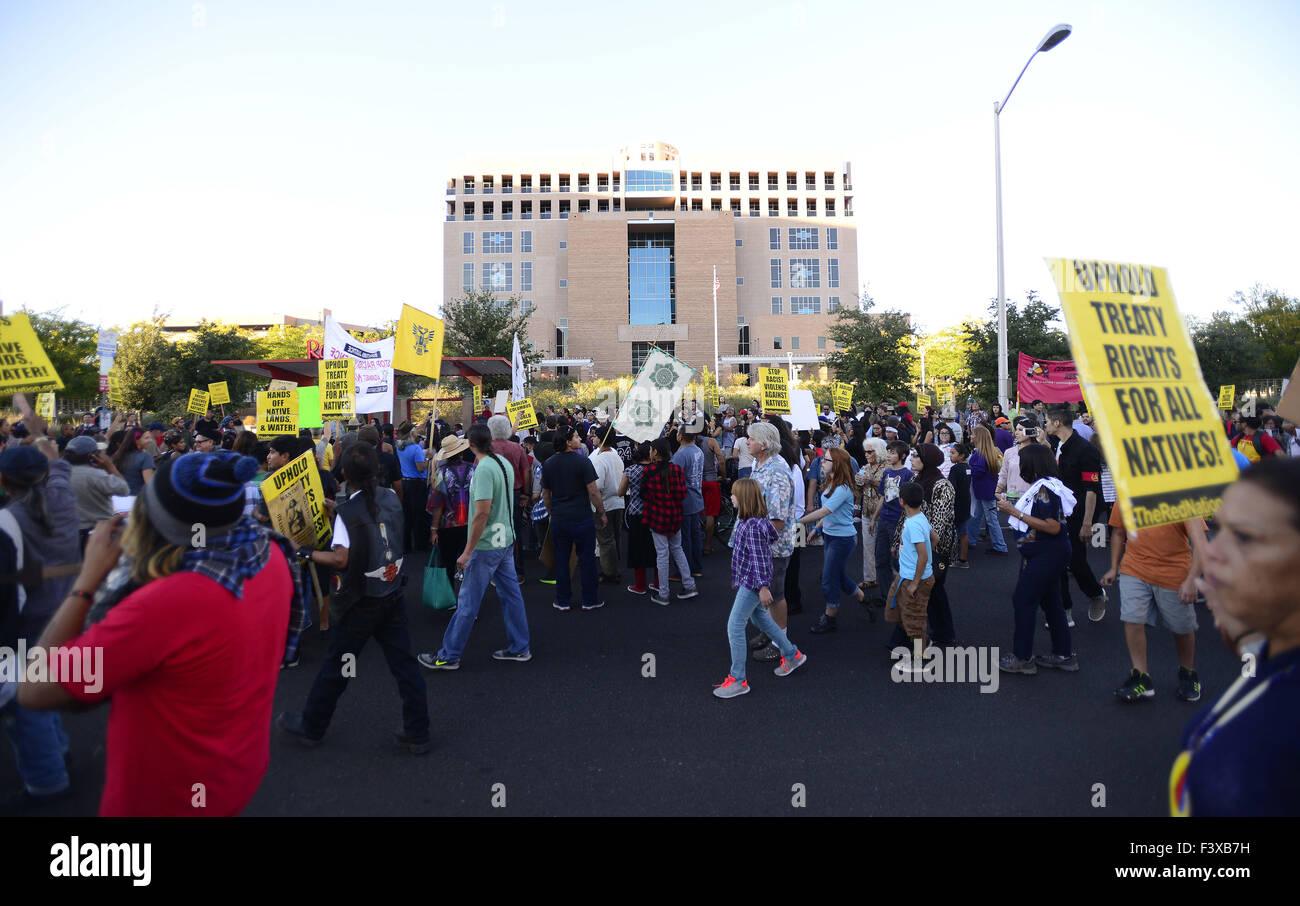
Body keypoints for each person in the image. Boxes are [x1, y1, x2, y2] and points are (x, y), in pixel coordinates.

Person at [19, 450, 299, 815]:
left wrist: (87, 581)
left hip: (165, 797)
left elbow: (35, 689)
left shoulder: (166, 604)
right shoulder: (270, 553)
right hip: (237, 769)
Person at [278, 441, 431, 755]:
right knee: (404, 665)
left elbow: (340, 560)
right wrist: (339, 510)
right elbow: (374, 519)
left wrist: (302, 550)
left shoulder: (348, 513)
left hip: (360, 602)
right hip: (391, 593)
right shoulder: (390, 496)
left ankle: (312, 725)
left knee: (337, 667)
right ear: (377, 469)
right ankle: (418, 730)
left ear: (344, 472)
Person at [1169, 458, 1300, 816]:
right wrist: (1241, 631)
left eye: (1244, 537)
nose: (1210, 552)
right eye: (1219, 528)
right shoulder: (1275, 649)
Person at [1, 420, 80, 811]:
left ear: (5, 482)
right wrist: (31, 418)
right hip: (68, 615)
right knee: (45, 692)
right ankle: (58, 749)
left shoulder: (8, 520)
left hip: (28, 624)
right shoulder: (63, 494)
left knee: (25, 705)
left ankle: (48, 783)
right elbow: (56, 458)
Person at [418, 424, 530, 670]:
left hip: (487, 544)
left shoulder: (483, 469)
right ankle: (520, 647)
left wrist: (468, 550)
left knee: (468, 602)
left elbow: (481, 513)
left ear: (470, 444)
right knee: (511, 596)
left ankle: (448, 655)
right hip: (505, 539)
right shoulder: (502, 463)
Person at [713, 478, 807, 699]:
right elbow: (770, 540)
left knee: (734, 626)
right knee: (760, 619)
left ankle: (738, 679)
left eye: (734, 494)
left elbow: (761, 560)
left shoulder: (751, 526)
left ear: (744, 498)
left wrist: (764, 586)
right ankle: (792, 654)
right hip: (752, 580)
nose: (732, 497)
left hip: (753, 582)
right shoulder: (756, 522)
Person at [1103, 503, 1207, 703]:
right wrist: (1114, 568)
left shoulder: (1181, 496)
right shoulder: (1126, 493)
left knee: (1182, 627)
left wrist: (1192, 580)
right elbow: (1118, 532)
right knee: (1132, 619)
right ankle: (1141, 677)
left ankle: (1188, 672)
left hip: (1174, 571)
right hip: (1134, 568)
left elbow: (1200, 543)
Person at [996, 444, 1077, 675]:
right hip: (1046, 552)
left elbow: (1052, 527)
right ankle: (1064, 654)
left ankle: (1023, 657)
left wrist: (1014, 512)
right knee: (1051, 603)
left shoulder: (1045, 490)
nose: (1019, 466)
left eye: (1022, 462)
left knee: (1023, 600)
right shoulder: (1046, 486)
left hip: (1047, 552)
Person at [890, 445, 957, 648]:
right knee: (931, 592)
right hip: (914, 547)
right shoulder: (914, 480)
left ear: (927, 459)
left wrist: (924, 551)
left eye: (916, 456)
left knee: (924, 591)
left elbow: (939, 522)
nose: (912, 459)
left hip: (934, 549)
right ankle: (942, 634)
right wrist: (896, 541)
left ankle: (909, 640)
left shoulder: (943, 486)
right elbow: (905, 513)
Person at [1045, 407, 1107, 626]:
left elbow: (1091, 489)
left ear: (1057, 423)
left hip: (1079, 514)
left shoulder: (1085, 450)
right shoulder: (1057, 445)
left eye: (1047, 421)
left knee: (1076, 562)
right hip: (1059, 512)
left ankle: (1095, 593)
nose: (1045, 425)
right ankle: (1064, 611)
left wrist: (1087, 523)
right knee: (1058, 562)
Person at [744, 421, 797, 659]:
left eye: (751, 438)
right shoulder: (760, 463)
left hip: (772, 546)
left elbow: (777, 519)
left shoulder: (776, 471)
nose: (747, 442)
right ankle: (770, 632)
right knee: (763, 594)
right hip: (761, 543)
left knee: (775, 595)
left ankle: (779, 643)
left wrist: (757, 543)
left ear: (764, 444)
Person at [800, 447, 868, 633]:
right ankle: (863, 599)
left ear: (836, 464)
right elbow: (829, 513)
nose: (821, 462)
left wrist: (798, 521)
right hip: (831, 536)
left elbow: (825, 511)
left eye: (826, 460)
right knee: (836, 574)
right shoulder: (831, 483)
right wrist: (816, 528)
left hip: (843, 540)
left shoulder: (843, 488)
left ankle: (830, 616)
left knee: (828, 579)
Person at [541, 425, 607, 611]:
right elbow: (593, 491)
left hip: (560, 519)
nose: (580, 439)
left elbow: (546, 493)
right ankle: (589, 599)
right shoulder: (583, 462)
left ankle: (562, 600)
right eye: (577, 436)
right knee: (587, 560)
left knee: (561, 560)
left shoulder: (549, 463)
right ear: (568, 442)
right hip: (581, 518)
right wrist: (601, 512)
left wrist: (551, 511)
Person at [641, 438, 698, 606]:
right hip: (674, 515)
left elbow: (643, 494)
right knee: (677, 549)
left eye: (651, 450)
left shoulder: (649, 471)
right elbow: (682, 494)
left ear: (656, 453)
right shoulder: (677, 470)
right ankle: (689, 585)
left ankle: (664, 593)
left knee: (662, 554)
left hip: (657, 516)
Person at [888, 482, 935, 666]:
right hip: (913, 575)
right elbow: (935, 538)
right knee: (905, 611)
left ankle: (920, 655)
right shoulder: (920, 518)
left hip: (915, 578)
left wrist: (915, 582)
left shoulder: (912, 525)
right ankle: (909, 645)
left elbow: (922, 556)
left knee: (915, 616)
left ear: (901, 501)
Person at [427, 435, 475, 593]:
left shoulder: (441, 473)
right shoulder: (473, 469)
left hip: (448, 524)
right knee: (469, 562)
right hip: (471, 523)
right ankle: (468, 600)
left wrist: (434, 529)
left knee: (447, 562)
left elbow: (437, 504)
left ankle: (449, 597)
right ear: (461, 452)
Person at [869, 440, 914, 605]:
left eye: (892, 452)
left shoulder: (908, 475)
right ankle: (886, 594)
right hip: (884, 520)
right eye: (888, 452)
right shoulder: (887, 473)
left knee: (898, 560)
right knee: (880, 558)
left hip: (898, 522)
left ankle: (905, 593)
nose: (889, 455)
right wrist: (874, 518)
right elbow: (882, 496)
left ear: (902, 456)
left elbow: (910, 502)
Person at [65, 436, 129, 550]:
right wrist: (110, 466)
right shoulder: (97, 475)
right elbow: (124, 489)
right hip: (99, 532)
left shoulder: (60, 474)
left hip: (71, 532)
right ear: (92, 456)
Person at [619, 441, 657, 595]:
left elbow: (621, 492)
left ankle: (640, 585)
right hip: (655, 511)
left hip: (636, 512)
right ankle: (658, 582)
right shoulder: (656, 469)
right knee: (657, 548)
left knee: (637, 548)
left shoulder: (631, 470)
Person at [592, 425, 625, 584]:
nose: (593, 438)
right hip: (618, 502)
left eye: (595, 435)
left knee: (605, 540)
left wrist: (599, 509)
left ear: (601, 438)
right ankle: (615, 567)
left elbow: (596, 487)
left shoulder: (599, 459)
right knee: (615, 537)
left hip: (604, 504)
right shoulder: (616, 456)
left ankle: (609, 572)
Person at [968, 425, 1008, 555]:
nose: (971, 436)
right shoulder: (989, 452)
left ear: (978, 437)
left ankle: (1000, 546)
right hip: (985, 491)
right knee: (978, 517)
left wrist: (967, 470)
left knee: (991, 519)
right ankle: (971, 540)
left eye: (973, 434)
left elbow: (977, 472)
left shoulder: (980, 454)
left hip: (985, 491)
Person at [671, 427, 705, 577]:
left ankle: (683, 571)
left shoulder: (681, 454)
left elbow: (672, 477)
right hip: (696, 496)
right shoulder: (698, 450)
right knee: (695, 535)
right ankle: (696, 567)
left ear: (681, 436)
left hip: (684, 499)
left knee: (684, 538)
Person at [855, 437, 887, 591]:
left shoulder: (887, 468)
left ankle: (890, 579)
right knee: (867, 546)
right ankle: (869, 578)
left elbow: (888, 489)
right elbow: (859, 489)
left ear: (878, 452)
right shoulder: (865, 467)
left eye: (869, 451)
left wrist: (870, 481)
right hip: (867, 512)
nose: (866, 454)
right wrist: (858, 483)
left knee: (884, 550)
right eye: (865, 451)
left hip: (884, 514)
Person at [396, 421, 430, 554]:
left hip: (405, 483)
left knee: (407, 515)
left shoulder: (399, 447)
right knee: (419, 515)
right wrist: (428, 460)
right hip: (417, 484)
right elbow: (420, 468)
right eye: (415, 430)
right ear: (411, 433)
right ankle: (420, 544)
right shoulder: (415, 448)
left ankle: (406, 544)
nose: (417, 432)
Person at [700, 425, 726, 555]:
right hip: (711, 480)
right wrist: (724, 475)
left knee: (695, 513)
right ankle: (707, 546)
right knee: (711, 514)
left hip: (695, 482)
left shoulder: (689, 441)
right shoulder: (711, 441)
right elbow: (721, 460)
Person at [949, 443, 973, 568]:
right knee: (964, 532)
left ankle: (952, 558)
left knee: (952, 532)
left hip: (956, 503)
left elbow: (951, 488)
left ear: (962, 455)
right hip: (966, 502)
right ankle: (963, 559)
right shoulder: (967, 467)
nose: (950, 455)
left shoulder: (955, 469)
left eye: (953, 453)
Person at [111, 427, 155, 495]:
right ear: (136, 440)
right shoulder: (145, 457)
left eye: (150, 438)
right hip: (137, 499)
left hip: (118, 498)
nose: (151, 440)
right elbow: (149, 483)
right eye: (147, 438)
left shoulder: (118, 455)